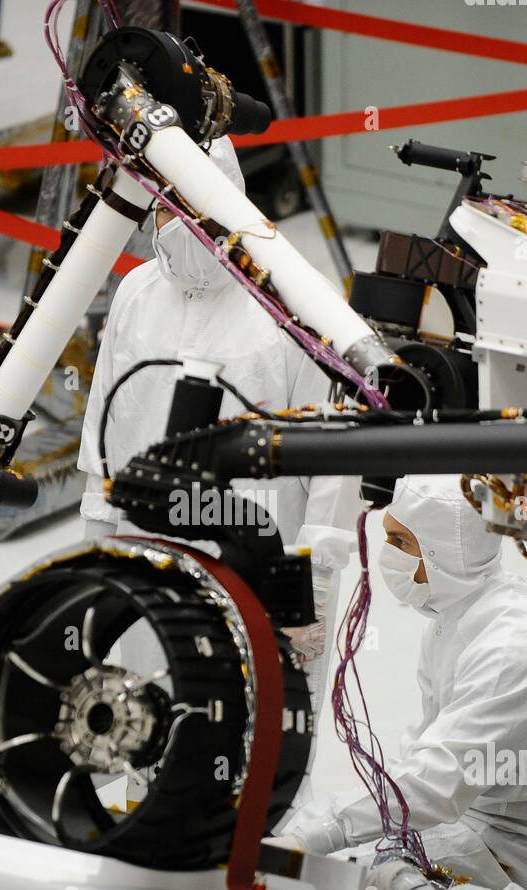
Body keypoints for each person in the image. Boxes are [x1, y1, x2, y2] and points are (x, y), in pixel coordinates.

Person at [76, 136, 358, 732]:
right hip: (150, 564)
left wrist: (315, 588)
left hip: (259, 576)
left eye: (196, 210)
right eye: (165, 207)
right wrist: (94, 561)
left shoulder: (296, 305)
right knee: (145, 729)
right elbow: (107, 431)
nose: (179, 227)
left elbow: (332, 466)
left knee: (257, 747)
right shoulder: (135, 293)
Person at [277, 475, 527, 890]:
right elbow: (418, 757)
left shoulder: (517, 646)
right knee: (340, 876)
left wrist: (323, 829)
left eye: (400, 541)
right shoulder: (453, 623)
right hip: (474, 828)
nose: (386, 555)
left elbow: (436, 782)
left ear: (444, 552)